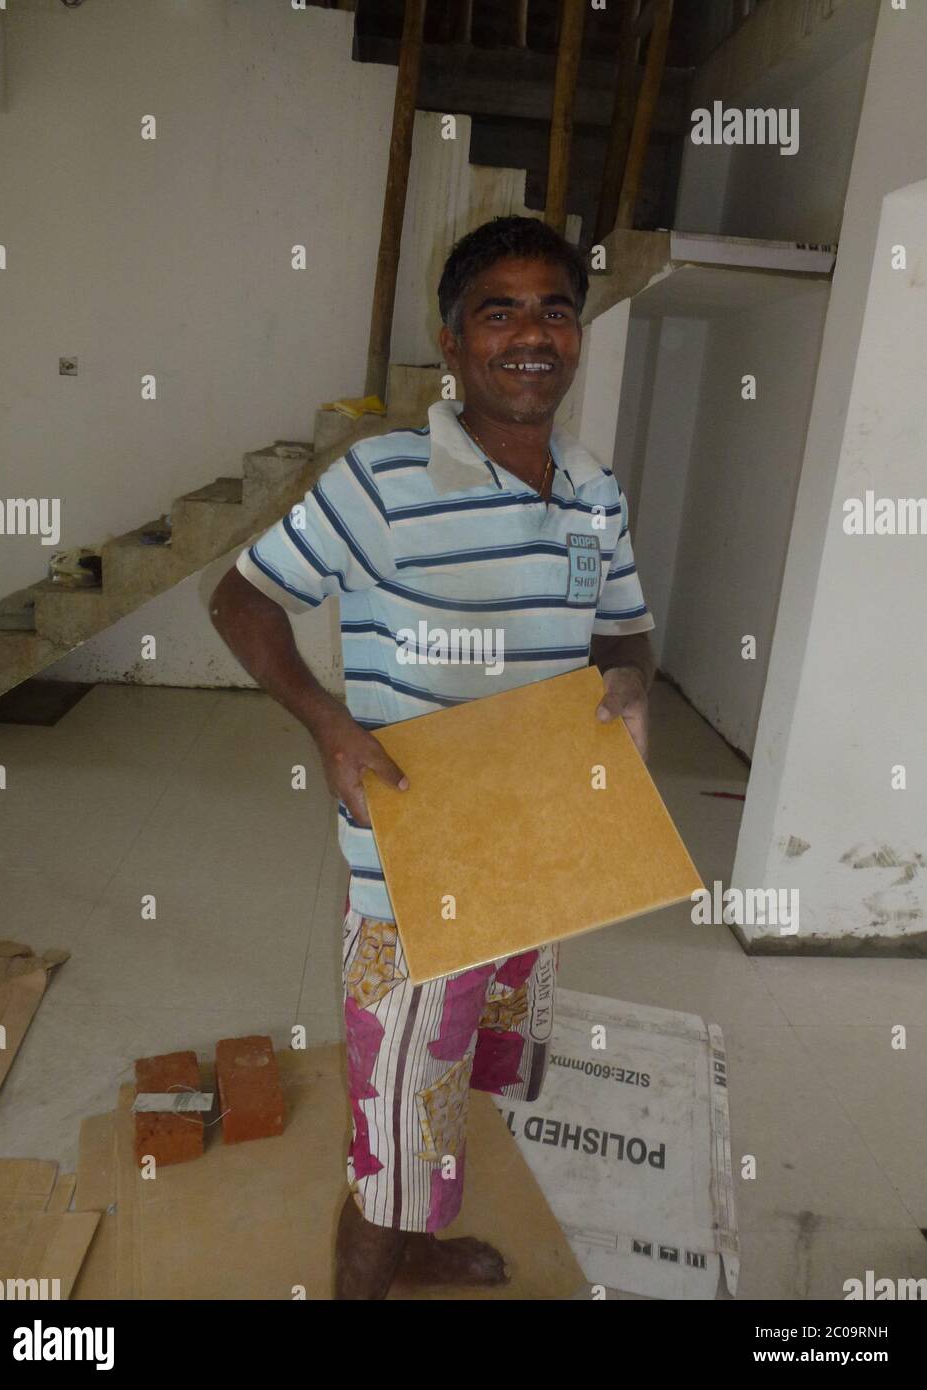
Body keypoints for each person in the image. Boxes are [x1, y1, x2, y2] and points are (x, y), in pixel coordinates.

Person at [209, 215, 655, 1298]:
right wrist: (327, 719)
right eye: (497, 311)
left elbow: (622, 629)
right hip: (415, 873)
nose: (530, 333)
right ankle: (377, 1260)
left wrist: (630, 683)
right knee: (394, 1131)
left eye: (553, 306)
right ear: (453, 346)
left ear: (578, 334)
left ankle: (413, 1245)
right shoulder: (380, 480)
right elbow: (240, 596)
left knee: (451, 1090)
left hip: (535, 857)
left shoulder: (594, 491)